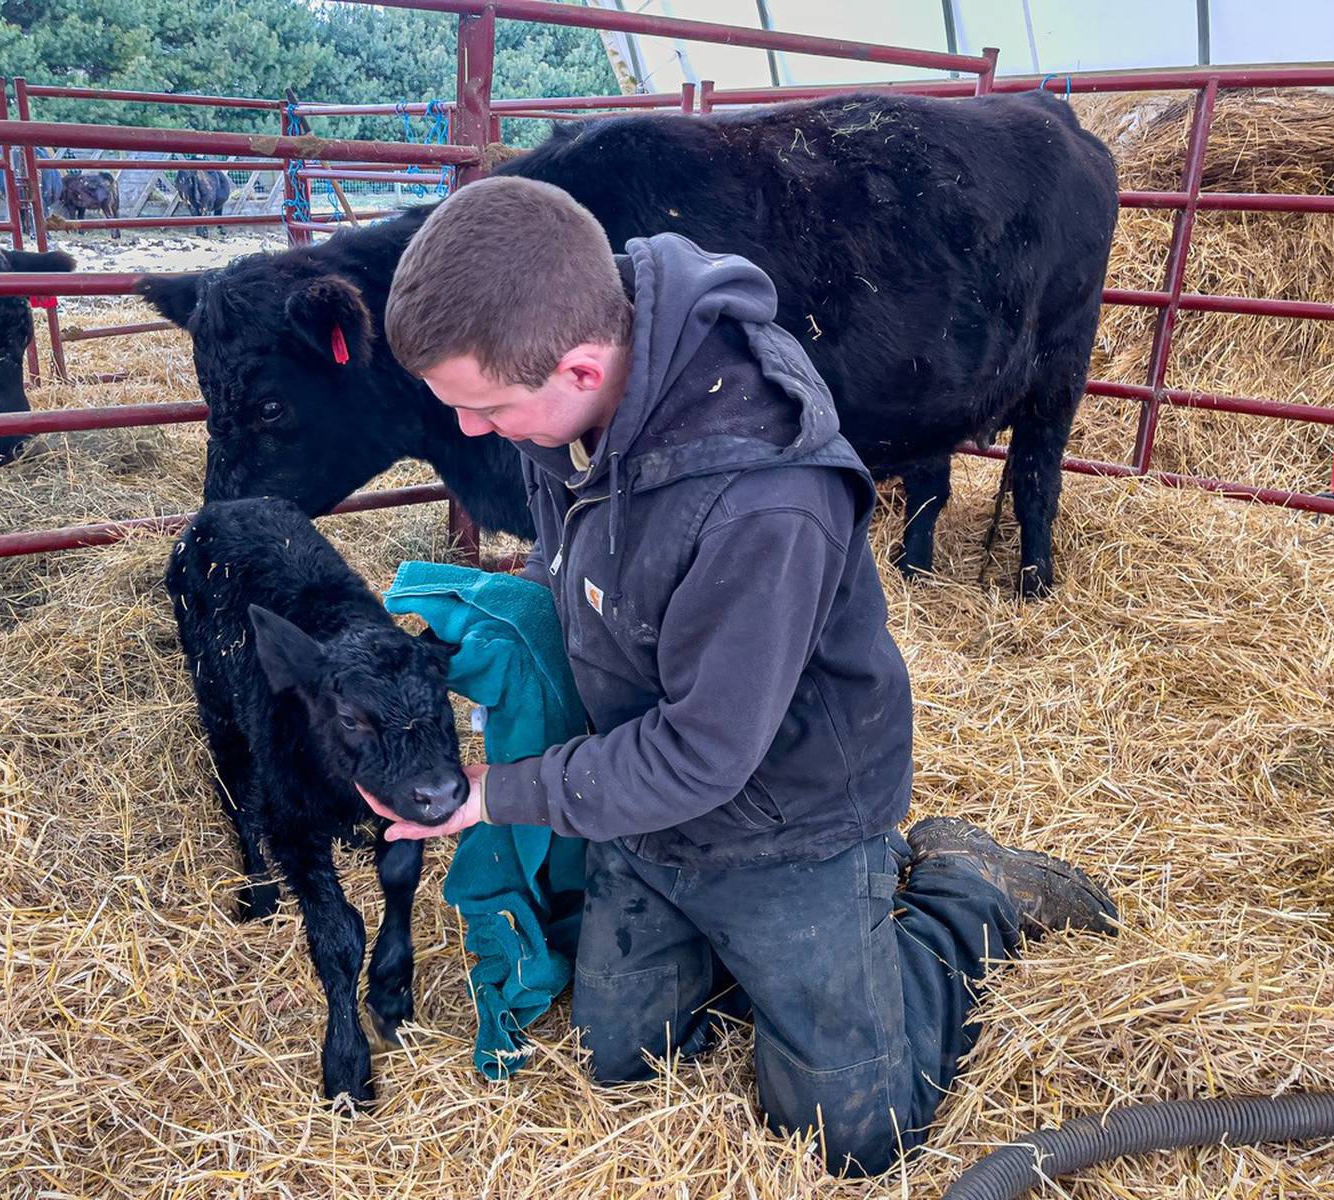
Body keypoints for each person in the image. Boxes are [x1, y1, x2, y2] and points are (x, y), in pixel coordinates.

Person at [363, 175, 1117, 1177]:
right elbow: (569, 565)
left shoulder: (761, 498)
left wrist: (496, 795)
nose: (466, 430)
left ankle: (957, 895)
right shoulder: (576, 400)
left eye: (482, 407)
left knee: (853, 1140)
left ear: (580, 366)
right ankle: (761, 962)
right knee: (620, 1067)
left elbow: (703, 752)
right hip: (647, 814)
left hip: (787, 821)